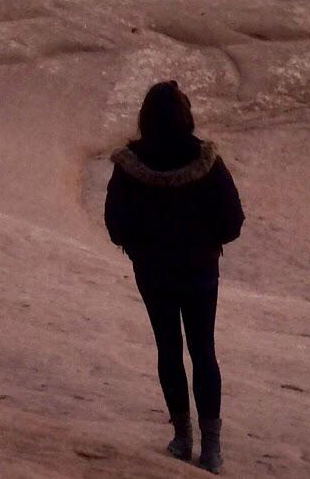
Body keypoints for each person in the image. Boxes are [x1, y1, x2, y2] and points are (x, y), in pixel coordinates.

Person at [104, 80, 244, 472]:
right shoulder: (205, 161)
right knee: (203, 352)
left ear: (145, 117)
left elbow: (115, 223)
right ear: (185, 115)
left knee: (168, 349)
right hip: (200, 270)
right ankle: (212, 448)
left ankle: (182, 438)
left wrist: (140, 246)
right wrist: (206, 242)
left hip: (153, 271)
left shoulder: (131, 165)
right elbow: (232, 220)